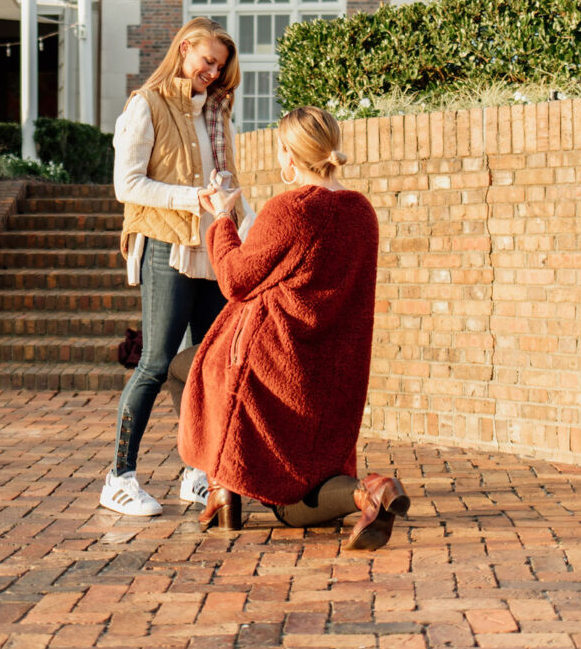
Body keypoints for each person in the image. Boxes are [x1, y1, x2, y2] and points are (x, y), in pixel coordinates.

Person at [166, 105, 410, 550]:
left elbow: (237, 279)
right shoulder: (362, 213)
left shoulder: (290, 209)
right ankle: (368, 491)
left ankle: (223, 492)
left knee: (184, 370)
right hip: (331, 376)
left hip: (272, 366)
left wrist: (222, 217)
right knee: (306, 487)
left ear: (288, 155)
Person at [99, 17, 250, 517]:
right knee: (156, 364)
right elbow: (128, 185)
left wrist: (247, 234)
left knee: (204, 367)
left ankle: (196, 473)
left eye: (220, 66)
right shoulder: (146, 104)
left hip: (212, 249)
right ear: (184, 48)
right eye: (207, 61)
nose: (212, 71)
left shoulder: (214, 113)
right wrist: (192, 197)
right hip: (167, 246)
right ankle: (118, 477)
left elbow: (227, 185)